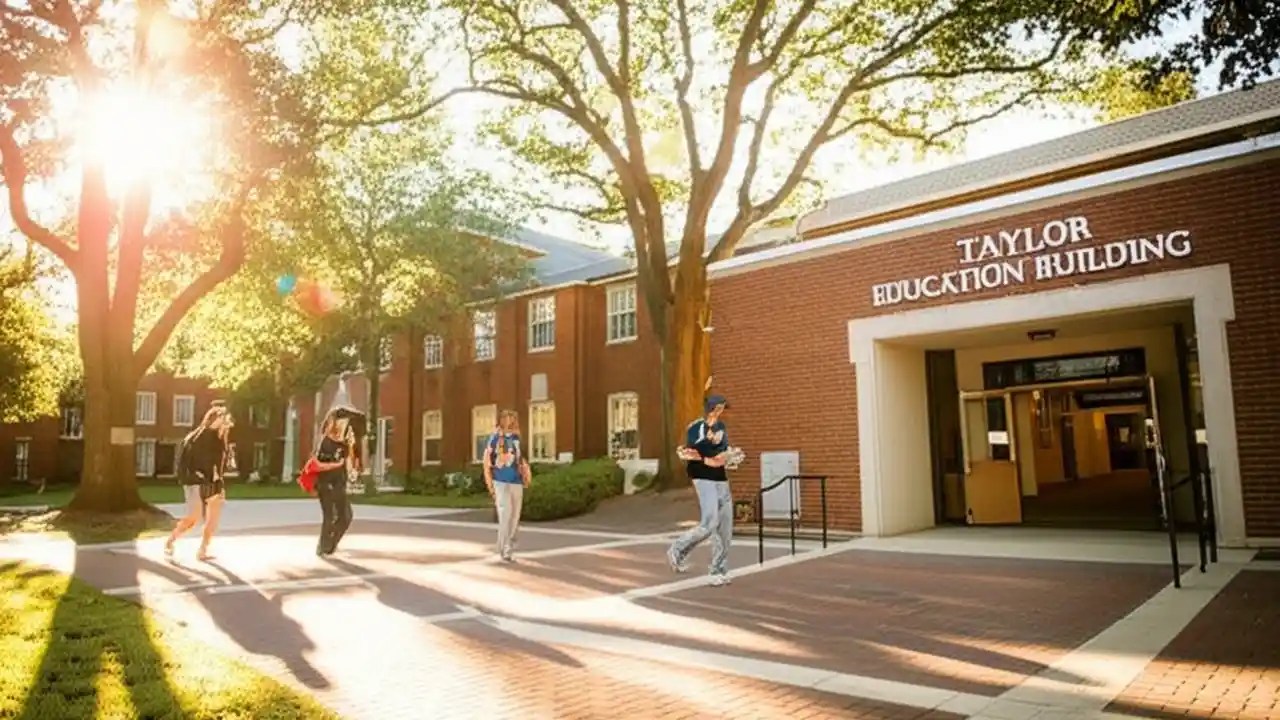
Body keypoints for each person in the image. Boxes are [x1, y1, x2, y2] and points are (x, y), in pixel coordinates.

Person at [667, 394, 734, 586]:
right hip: (703, 478)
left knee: (725, 525)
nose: (721, 413)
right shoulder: (696, 428)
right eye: (719, 408)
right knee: (709, 522)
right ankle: (678, 549)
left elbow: (722, 453)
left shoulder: (721, 428)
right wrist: (709, 459)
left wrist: (728, 456)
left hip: (720, 478)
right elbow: (691, 452)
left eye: (723, 409)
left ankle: (718, 570)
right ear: (711, 409)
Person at [165, 404, 232, 561]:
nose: (224, 421)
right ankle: (171, 540)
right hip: (196, 481)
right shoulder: (197, 437)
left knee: (212, 519)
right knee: (193, 518)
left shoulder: (220, 438)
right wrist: (198, 474)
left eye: (225, 419)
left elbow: (222, 461)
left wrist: (219, 478)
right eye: (221, 418)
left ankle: (203, 550)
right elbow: (188, 461)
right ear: (213, 419)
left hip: (214, 482)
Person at [483, 409, 531, 562]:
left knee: (515, 516)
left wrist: (526, 473)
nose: (510, 421)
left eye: (512, 418)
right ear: (501, 420)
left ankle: (509, 544)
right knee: (505, 513)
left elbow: (520, 459)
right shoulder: (495, 438)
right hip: (500, 480)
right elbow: (487, 460)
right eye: (507, 418)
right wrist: (489, 482)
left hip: (516, 481)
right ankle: (504, 548)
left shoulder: (516, 438)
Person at [313, 410, 358, 557]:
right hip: (326, 485)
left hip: (339, 485)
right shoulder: (326, 442)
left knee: (346, 516)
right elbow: (318, 465)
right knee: (330, 516)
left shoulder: (344, 444)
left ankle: (330, 544)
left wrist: (351, 446)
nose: (346, 425)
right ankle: (323, 547)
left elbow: (349, 463)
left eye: (347, 423)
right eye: (343, 422)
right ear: (334, 423)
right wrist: (334, 466)